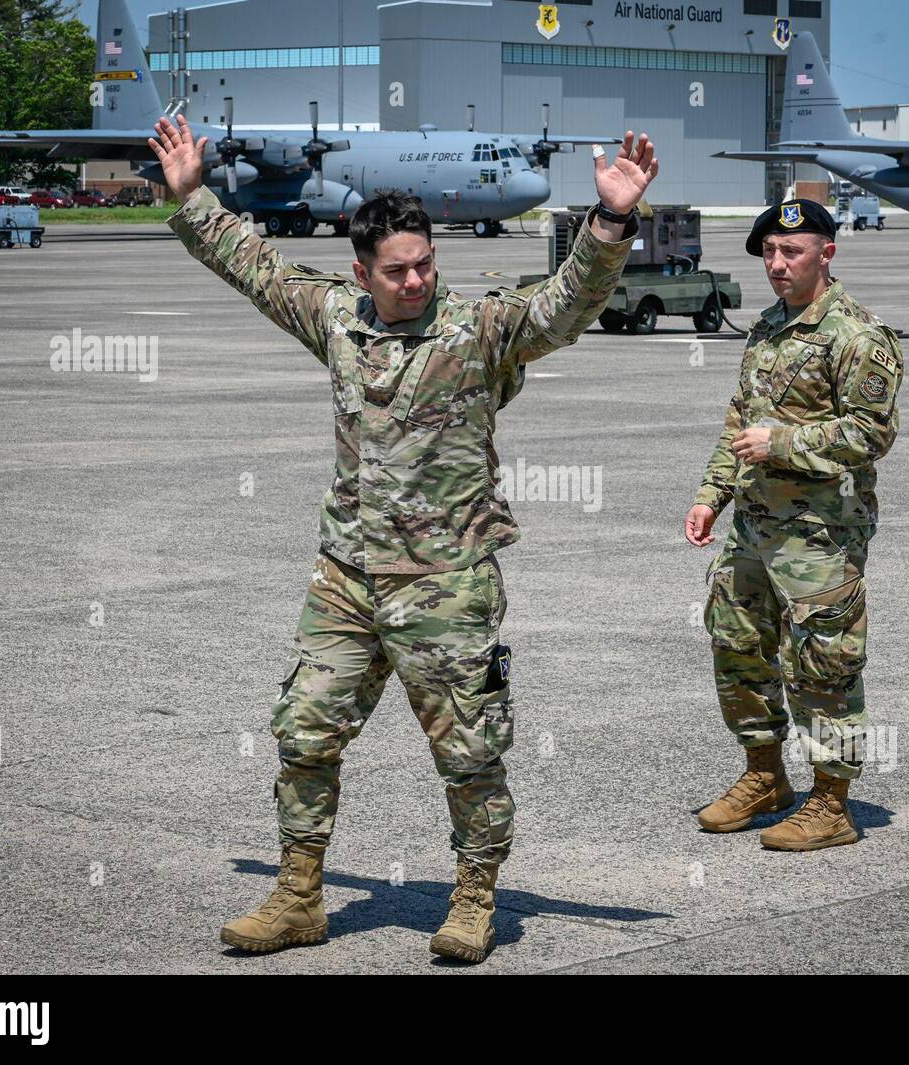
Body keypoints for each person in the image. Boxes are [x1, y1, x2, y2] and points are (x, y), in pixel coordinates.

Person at [148, 114, 657, 960]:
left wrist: (608, 225)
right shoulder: (336, 320)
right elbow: (255, 268)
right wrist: (193, 195)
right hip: (347, 578)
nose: (416, 279)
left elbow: (565, 308)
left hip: (446, 583)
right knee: (305, 734)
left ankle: (474, 896)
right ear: (363, 272)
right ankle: (299, 896)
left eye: (426, 263)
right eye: (398, 269)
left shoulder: (479, 330)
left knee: (469, 751)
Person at [684, 198, 902, 851]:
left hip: (820, 533)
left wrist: (780, 443)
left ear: (826, 253)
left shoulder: (857, 336)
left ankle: (831, 803)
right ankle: (765, 776)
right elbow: (738, 422)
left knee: (823, 664)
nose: (778, 264)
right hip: (754, 525)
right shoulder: (769, 327)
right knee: (737, 646)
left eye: (793, 252)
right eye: (770, 254)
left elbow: (872, 432)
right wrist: (711, 493)